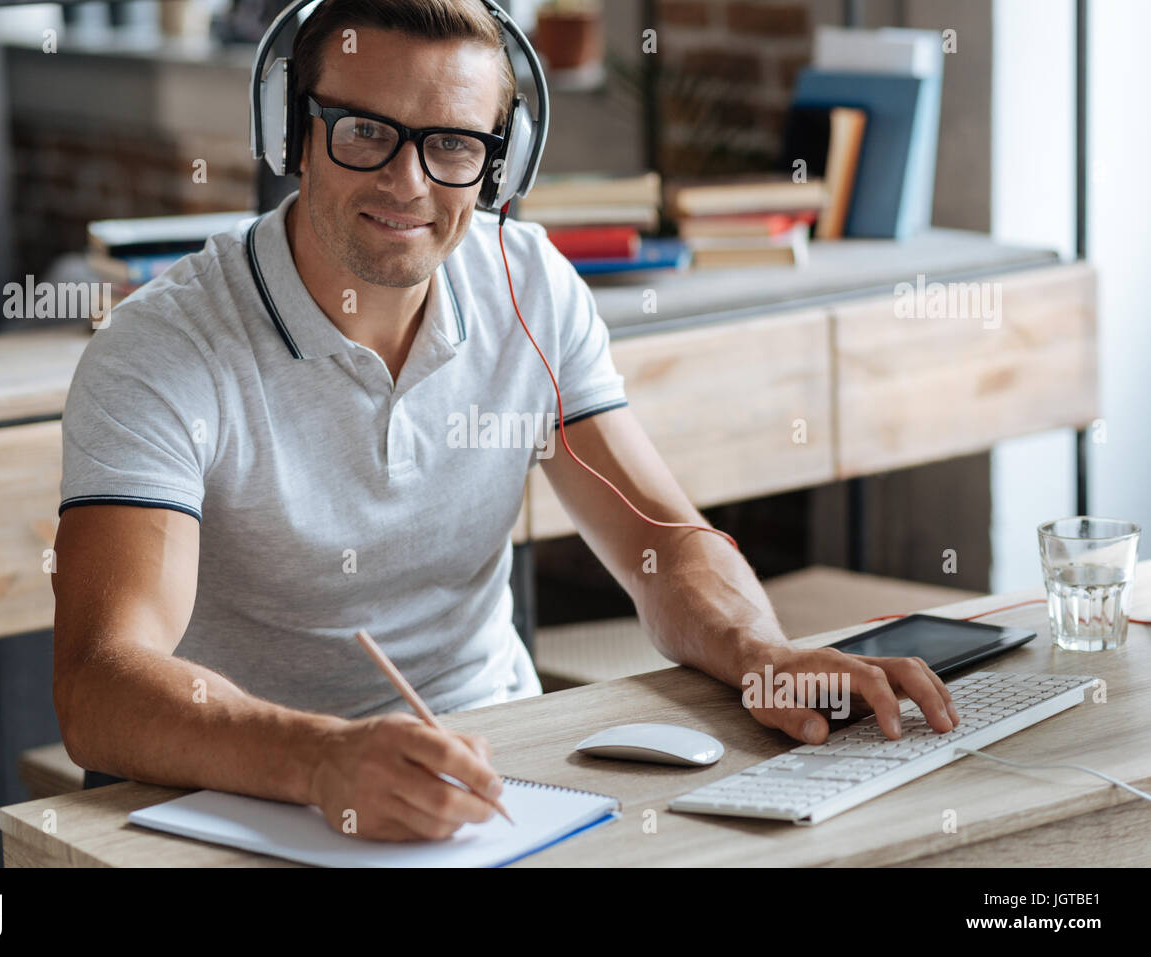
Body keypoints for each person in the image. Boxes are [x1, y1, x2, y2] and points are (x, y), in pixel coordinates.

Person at [52, 0, 959, 843]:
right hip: (246, 795)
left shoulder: (529, 284)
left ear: (498, 163)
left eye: (451, 144)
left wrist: (764, 654)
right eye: (365, 131)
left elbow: (663, 544)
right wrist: (322, 758)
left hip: (498, 768)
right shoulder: (164, 348)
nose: (407, 182)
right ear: (294, 133)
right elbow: (101, 682)